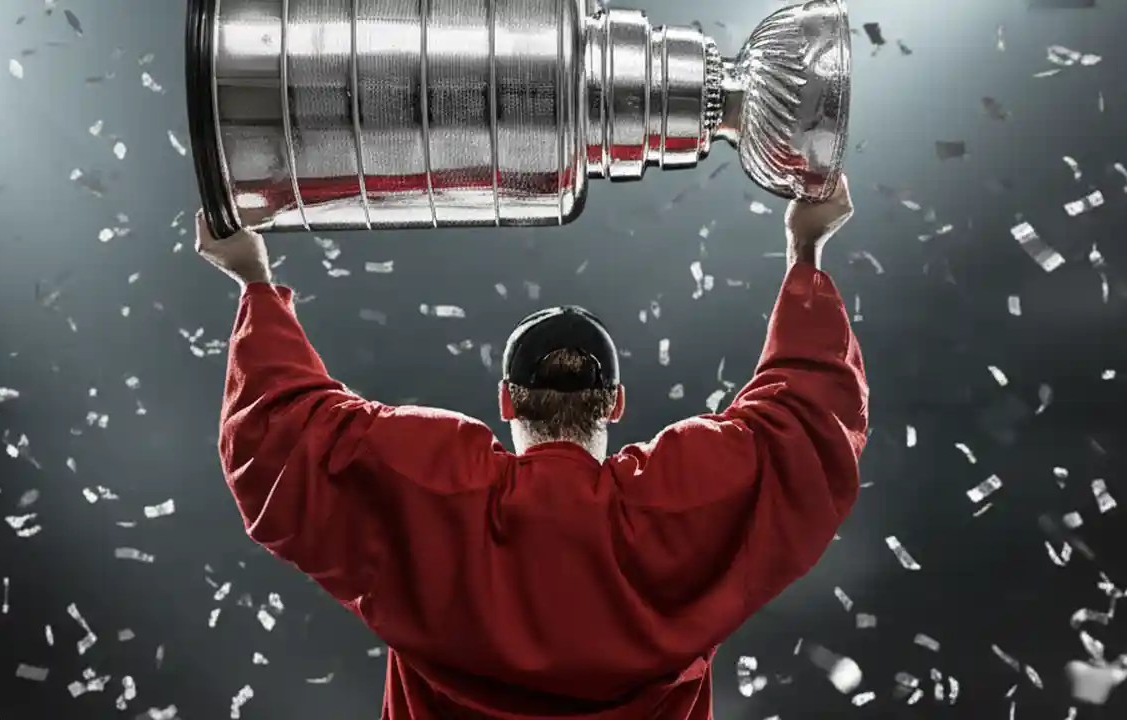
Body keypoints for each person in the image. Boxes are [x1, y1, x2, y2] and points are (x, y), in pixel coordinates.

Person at [196, 176, 867, 720]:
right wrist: (805, 253)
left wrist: (254, 280)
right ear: (616, 403)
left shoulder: (438, 492)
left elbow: (277, 435)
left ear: (507, 400)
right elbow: (809, 423)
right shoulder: (681, 503)